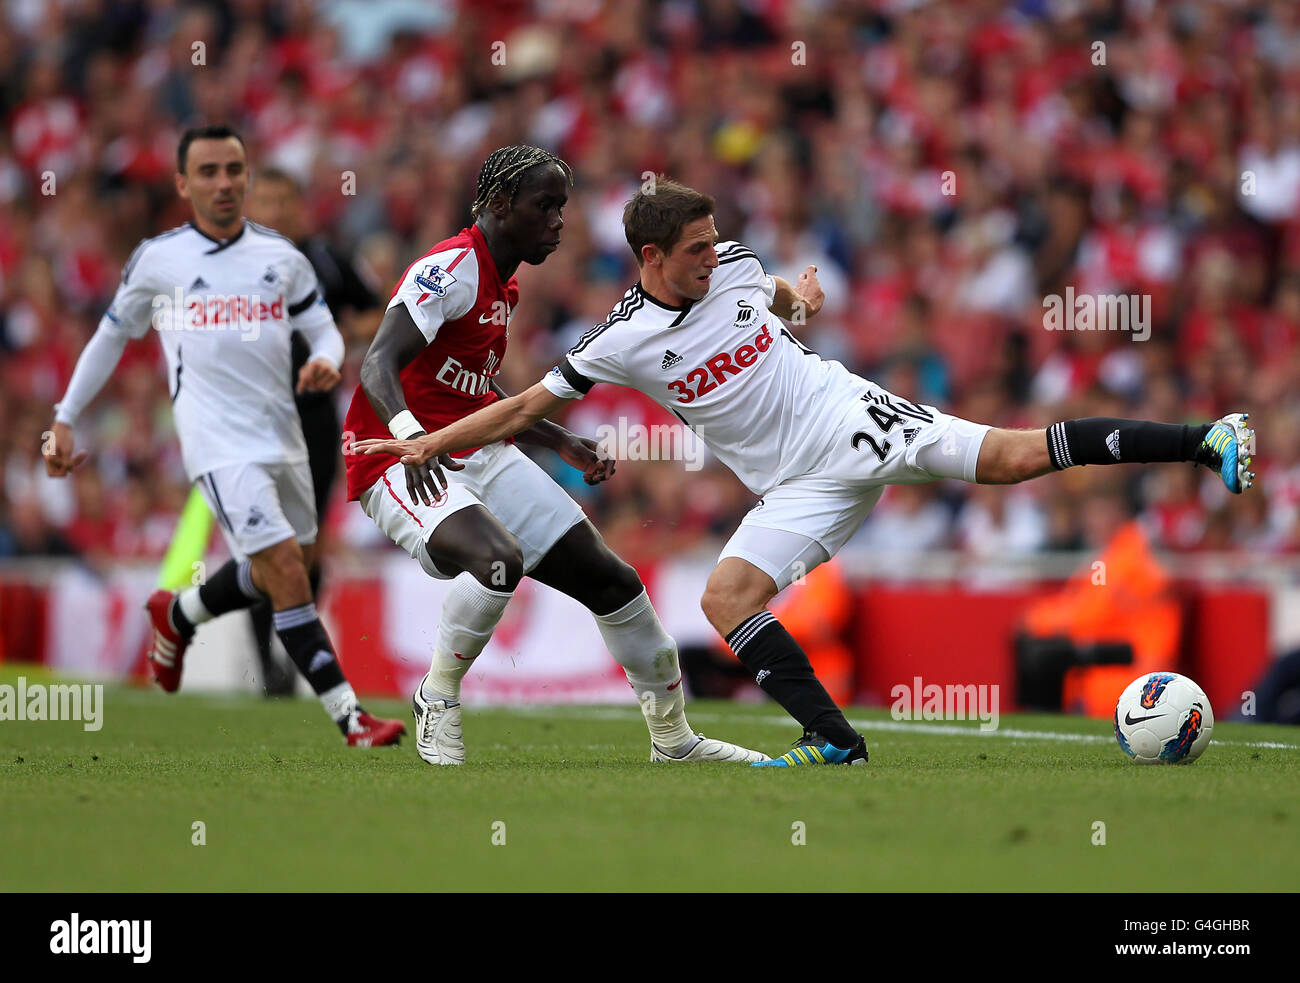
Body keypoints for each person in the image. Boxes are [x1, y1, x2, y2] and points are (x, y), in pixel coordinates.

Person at [356, 176, 1257, 767]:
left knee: (1017, 457)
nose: (717, 258)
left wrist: (804, 297)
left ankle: (1204, 437)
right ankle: (836, 743)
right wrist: (430, 441)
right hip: (794, 486)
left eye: (718, 242)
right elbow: (521, 409)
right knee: (724, 598)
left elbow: (781, 290)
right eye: (698, 250)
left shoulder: (739, 267)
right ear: (651, 260)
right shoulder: (620, 340)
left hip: (852, 421)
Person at [345, 146, 766, 765]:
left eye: (562, 207)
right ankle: (437, 695)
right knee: (497, 562)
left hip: (473, 447)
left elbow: (469, 389)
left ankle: (675, 742)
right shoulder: (452, 266)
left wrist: (557, 439)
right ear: (499, 206)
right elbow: (378, 360)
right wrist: (411, 437)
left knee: (615, 584)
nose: (558, 221)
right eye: (546, 206)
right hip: (396, 455)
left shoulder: (502, 283)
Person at [43, 124, 405, 748]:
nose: (224, 183)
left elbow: (324, 327)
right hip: (217, 443)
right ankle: (352, 717)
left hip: (288, 434)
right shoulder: (160, 261)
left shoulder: (283, 259)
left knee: (287, 566)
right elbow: (110, 336)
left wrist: (324, 357)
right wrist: (65, 416)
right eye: (208, 172)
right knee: (286, 569)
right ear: (183, 184)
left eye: (234, 170)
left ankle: (178, 612)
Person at [245, 166, 383, 694]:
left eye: (284, 201)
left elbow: (383, 309)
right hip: (257, 416)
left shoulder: (327, 258)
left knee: (310, 543)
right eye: (267, 201)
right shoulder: (238, 264)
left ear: (299, 204)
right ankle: (267, 667)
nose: (276, 211)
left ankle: (295, 652)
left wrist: (342, 330)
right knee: (263, 540)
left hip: (316, 416)